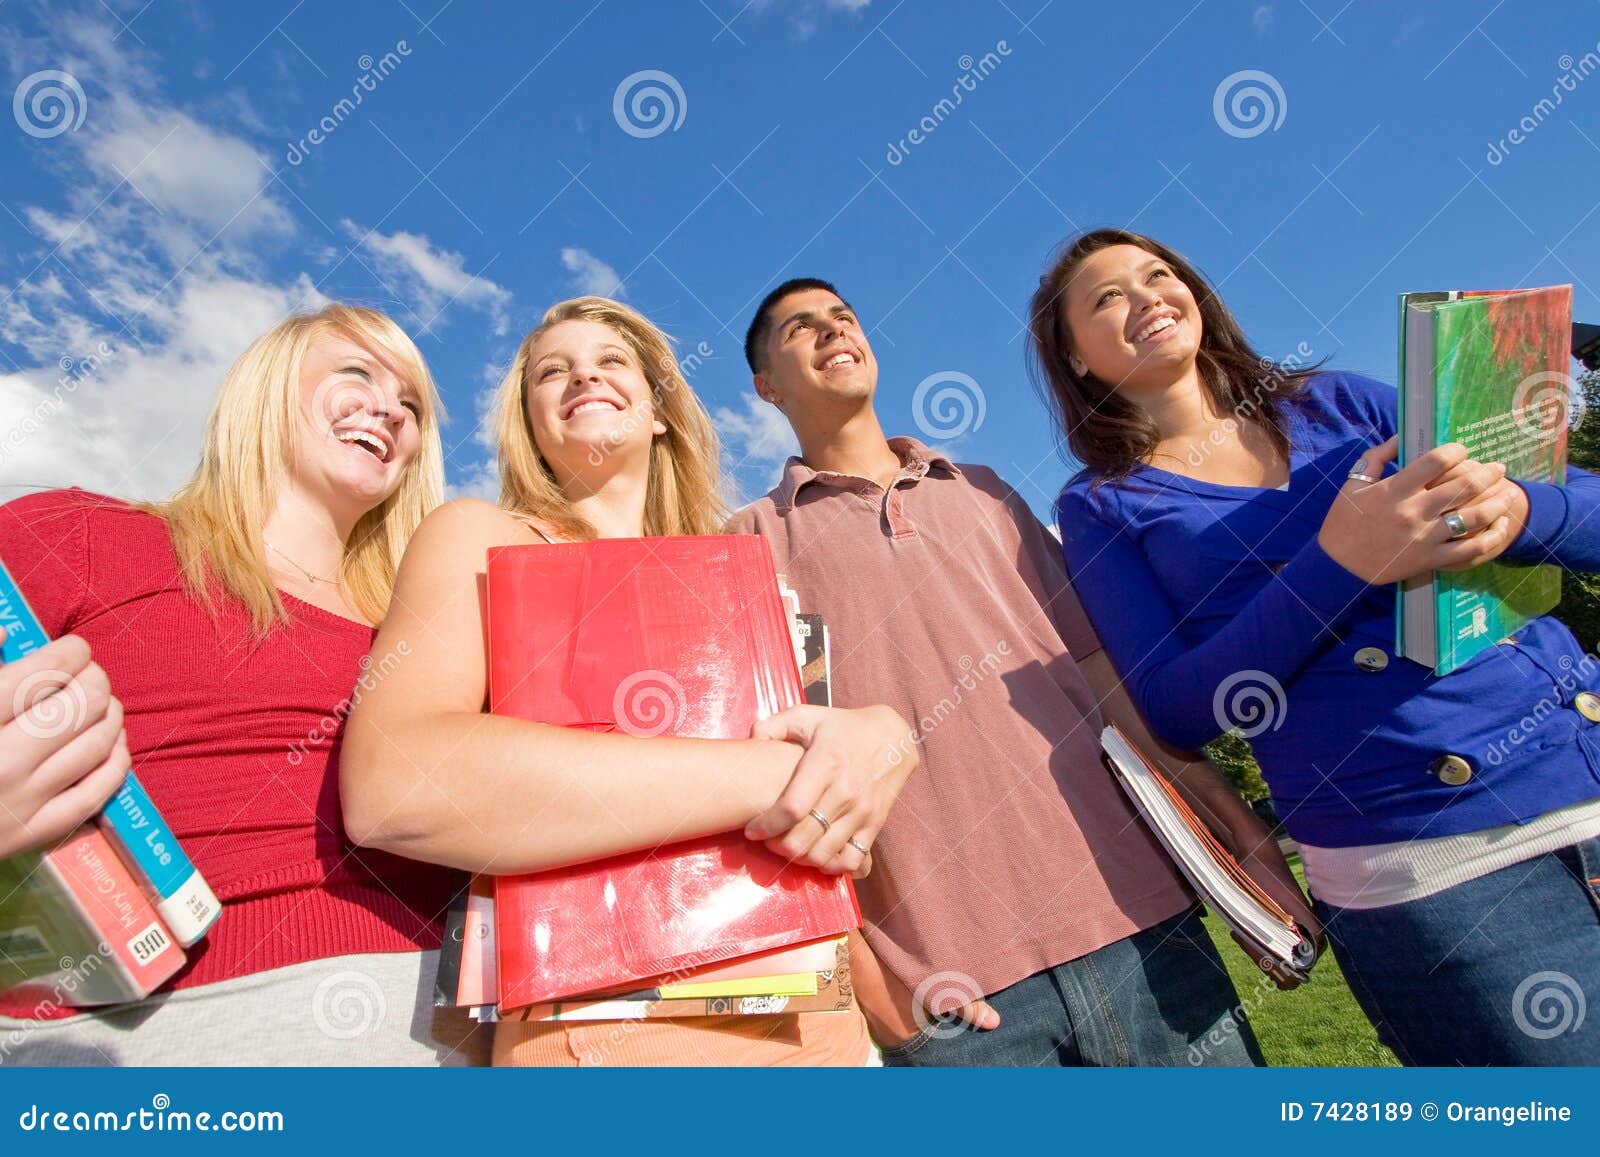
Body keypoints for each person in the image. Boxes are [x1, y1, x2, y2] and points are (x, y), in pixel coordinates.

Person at [1035, 227, 1600, 1066]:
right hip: (1432, 859)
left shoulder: (1342, 401)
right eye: (1107, 297)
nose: (1147, 296)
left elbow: (1579, 509)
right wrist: (1340, 563)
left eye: (1160, 275)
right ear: (1076, 358)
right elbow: (1178, 708)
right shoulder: (1103, 505)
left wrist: (1521, 510)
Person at [727, 277, 1312, 1067]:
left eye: (844, 316)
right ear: (766, 385)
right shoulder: (744, 547)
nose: (834, 331)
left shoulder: (987, 492)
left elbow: (1102, 674)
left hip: (1140, 918)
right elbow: (769, 786)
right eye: (802, 328)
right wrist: (870, 987)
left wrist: (1237, 829)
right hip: (950, 991)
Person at [340, 296, 917, 1067]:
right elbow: (396, 786)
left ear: (657, 412)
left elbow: (811, 844)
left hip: (817, 1025)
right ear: (531, 421)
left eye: (611, 361)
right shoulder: (479, 537)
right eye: (554, 371)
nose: (584, 374)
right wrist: (779, 774)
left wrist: (904, 1021)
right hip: (600, 1030)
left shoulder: (742, 578)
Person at [0, 304, 481, 1066]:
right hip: (161, 1024)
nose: (390, 408)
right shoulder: (82, 536)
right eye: (356, 373)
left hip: (455, 1021)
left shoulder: (434, 638)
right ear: (265, 390)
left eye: (412, 404)